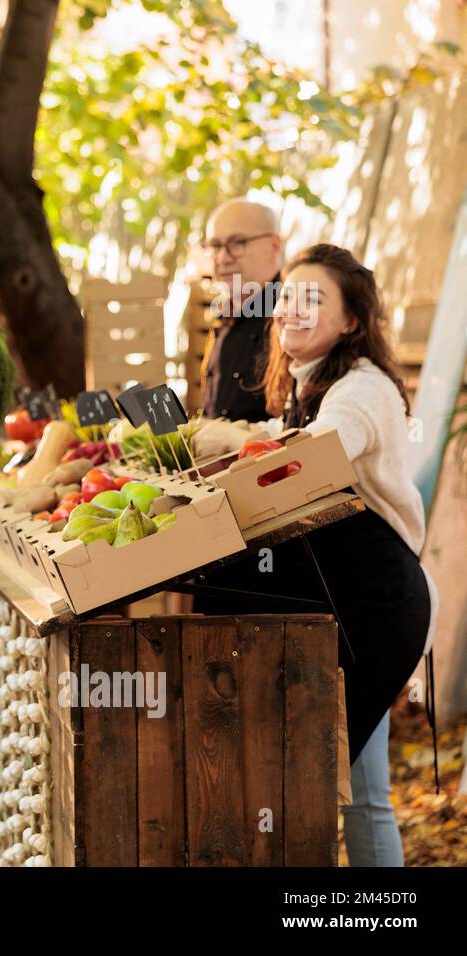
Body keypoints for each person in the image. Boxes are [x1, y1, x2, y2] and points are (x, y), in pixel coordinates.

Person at [192, 243, 431, 866]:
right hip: (346, 601)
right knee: (363, 793)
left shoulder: (358, 392)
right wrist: (216, 439)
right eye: (287, 298)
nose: (292, 310)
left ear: (352, 321)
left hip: (375, 606)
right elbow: (281, 439)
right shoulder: (313, 386)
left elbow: (315, 455)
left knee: (318, 787)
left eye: (313, 299)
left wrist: (234, 466)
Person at [199, 199, 284, 422]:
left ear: (274, 245)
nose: (223, 258)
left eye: (237, 243)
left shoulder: (292, 315)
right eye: (215, 246)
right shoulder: (225, 314)